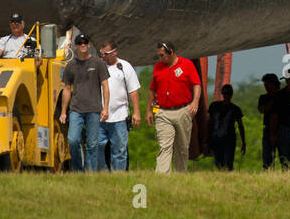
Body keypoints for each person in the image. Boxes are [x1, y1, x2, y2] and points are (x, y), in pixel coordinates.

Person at [149, 40, 201, 173]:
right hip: (162, 112)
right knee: (164, 146)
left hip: (182, 111)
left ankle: (180, 176)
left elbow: (196, 84)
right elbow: (152, 90)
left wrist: (195, 102)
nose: (160, 58)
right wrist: (149, 110)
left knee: (182, 147)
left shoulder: (187, 64)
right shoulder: (158, 67)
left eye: (162, 55)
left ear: (171, 52)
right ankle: (162, 178)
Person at [60, 33, 110, 172]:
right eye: (80, 43)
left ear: (89, 45)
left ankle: (90, 173)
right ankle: (77, 170)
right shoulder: (70, 65)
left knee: (92, 144)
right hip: (76, 109)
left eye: (85, 43)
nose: (83, 45)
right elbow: (67, 89)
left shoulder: (98, 63)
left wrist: (105, 108)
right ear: (75, 46)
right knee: (73, 140)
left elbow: (105, 86)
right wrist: (64, 112)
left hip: (94, 109)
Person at [98, 39, 140, 172]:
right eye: (101, 54)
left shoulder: (124, 66)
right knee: (98, 146)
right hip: (100, 116)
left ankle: (119, 176)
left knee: (119, 150)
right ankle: (102, 175)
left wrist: (136, 112)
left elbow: (133, 91)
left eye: (106, 53)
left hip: (119, 115)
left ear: (115, 52)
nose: (103, 56)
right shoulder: (99, 66)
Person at [208, 83, 246, 170]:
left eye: (228, 93)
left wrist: (244, 142)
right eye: (225, 93)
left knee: (228, 163)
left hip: (228, 139)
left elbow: (241, 126)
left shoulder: (234, 109)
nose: (226, 95)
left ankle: (226, 177)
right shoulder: (215, 106)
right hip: (217, 139)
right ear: (222, 93)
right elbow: (209, 123)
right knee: (219, 162)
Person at [257, 73, 281, 170]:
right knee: (267, 155)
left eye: (267, 85)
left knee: (284, 153)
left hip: (282, 127)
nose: (266, 87)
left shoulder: (282, 95)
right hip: (268, 128)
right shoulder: (264, 97)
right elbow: (262, 109)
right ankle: (268, 170)